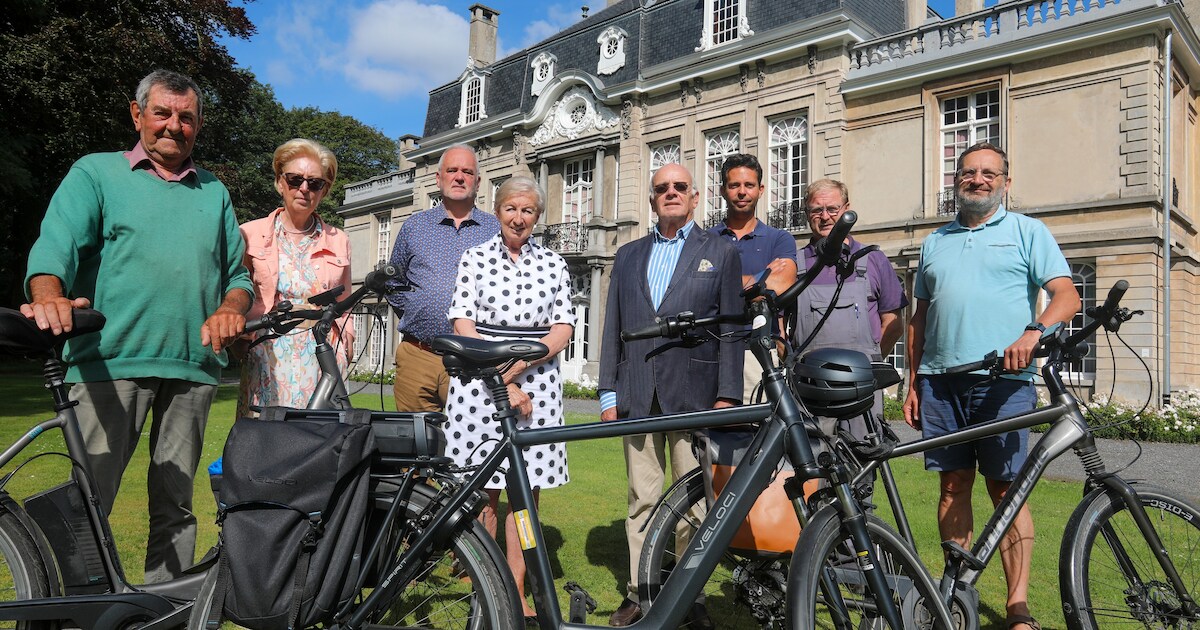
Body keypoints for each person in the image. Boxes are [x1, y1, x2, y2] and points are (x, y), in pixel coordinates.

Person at [20, 69, 252, 583]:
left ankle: (165, 611)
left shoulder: (213, 191)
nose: (173, 126)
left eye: (186, 117)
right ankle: (70, 611)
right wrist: (48, 294)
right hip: (110, 363)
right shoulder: (96, 172)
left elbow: (238, 275)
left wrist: (231, 307)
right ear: (137, 114)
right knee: (87, 504)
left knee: (176, 506)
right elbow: (56, 245)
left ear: (198, 125)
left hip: (193, 368)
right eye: (162, 113)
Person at [902, 142, 1080, 630]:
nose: (977, 180)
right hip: (941, 383)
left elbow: (1067, 296)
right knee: (952, 485)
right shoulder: (934, 242)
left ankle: (1017, 607)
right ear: (956, 178)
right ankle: (955, 591)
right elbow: (919, 319)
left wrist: (1034, 331)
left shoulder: (1027, 231)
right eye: (968, 172)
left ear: (1005, 181)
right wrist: (914, 382)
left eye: (988, 173)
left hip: (1003, 383)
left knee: (1007, 492)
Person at [599, 163, 743, 628]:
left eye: (680, 186)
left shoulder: (720, 251)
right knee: (642, 499)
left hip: (695, 396)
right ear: (652, 199)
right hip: (638, 393)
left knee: (694, 506)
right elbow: (613, 327)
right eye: (662, 187)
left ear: (695, 197)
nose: (671, 192)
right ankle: (640, 592)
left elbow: (731, 329)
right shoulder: (628, 255)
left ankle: (688, 595)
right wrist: (607, 392)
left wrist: (728, 395)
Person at [444, 176, 574, 623]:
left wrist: (518, 369)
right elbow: (463, 321)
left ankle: (516, 586)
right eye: (511, 209)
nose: (519, 218)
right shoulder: (474, 257)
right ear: (497, 211)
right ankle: (486, 582)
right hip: (480, 377)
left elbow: (563, 327)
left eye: (528, 211)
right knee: (485, 490)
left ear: (538, 216)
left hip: (538, 379)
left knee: (526, 492)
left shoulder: (554, 263)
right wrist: (501, 375)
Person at [236, 138, 353, 417]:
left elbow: (345, 300)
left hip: (323, 351)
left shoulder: (339, 240)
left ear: (324, 190)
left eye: (315, 183)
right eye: (295, 179)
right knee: (265, 432)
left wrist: (347, 340)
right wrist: (241, 342)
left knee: (320, 432)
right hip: (268, 352)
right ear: (280, 183)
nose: (304, 188)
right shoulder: (249, 234)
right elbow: (236, 291)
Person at [386, 144, 499, 412]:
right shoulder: (414, 226)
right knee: (416, 436)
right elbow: (392, 282)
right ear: (438, 179)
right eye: (452, 170)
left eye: (467, 172)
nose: (459, 177)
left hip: (473, 360)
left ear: (478, 182)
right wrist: (417, 310)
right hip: (419, 355)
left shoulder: (496, 230)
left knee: (473, 436)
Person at [795, 178, 907, 439]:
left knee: (864, 457)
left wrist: (868, 365)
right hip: (810, 391)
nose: (825, 217)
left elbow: (894, 323)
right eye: (816, 210)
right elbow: (778, 326)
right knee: (810, 459)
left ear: (847, 210)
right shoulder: (795, 264)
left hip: (862, 390)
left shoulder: (873, 259)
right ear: (807, 214)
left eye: (832, 209)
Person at [707, 153, 798, 403]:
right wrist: (760, 279)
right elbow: (696, 289)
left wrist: (717, 281)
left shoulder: (779, 239)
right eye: (734, 185)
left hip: (758, 352)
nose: (742, 192)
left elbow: (780, 287)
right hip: (711, 351)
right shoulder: (705, 240)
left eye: (749, 185)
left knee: (759, 424)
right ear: (723, 190)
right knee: (710, 426)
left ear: (761, 189)